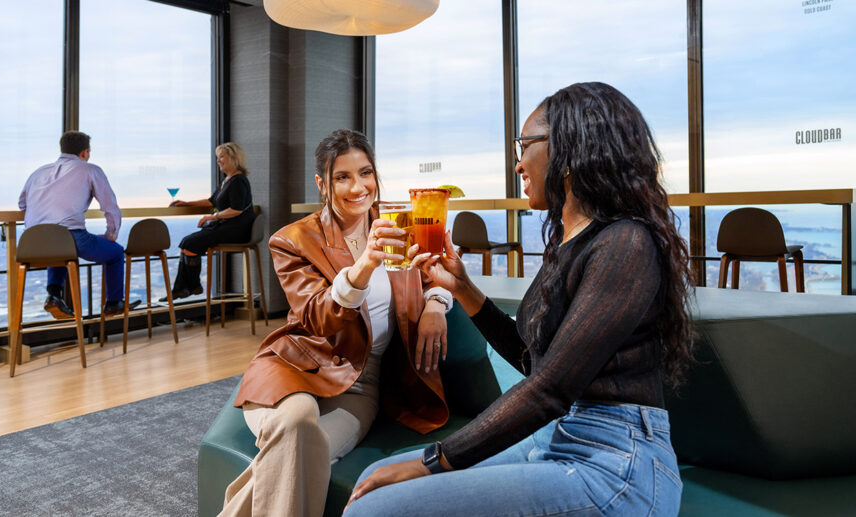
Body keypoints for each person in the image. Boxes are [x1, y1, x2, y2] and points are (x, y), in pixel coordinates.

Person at [343, 82, 696, 516]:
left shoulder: (626, 243)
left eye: (524, 145)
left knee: (372, 509)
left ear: (569, 146)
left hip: (615, 461)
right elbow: (538, 364)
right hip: (559, 434)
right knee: (369, 485)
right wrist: (464, 290)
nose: (517, 163)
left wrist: (432, 460)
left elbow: (551, 388)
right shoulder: (571, 240)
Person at [218, 129, 453, 517]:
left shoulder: (399, 224)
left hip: (362, 386)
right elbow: (316, 317)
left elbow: (434, 273)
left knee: (300, 455)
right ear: (322, 184)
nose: (357, 186)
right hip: (297, 365)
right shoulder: (292, 240)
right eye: (341, 177)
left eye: (365, 173)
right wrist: (364, 265)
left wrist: (436, 305)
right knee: (295, 423)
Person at [19, 130, 139, 319]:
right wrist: (110, 236)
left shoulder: (38, 172)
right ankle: (113, 303)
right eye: (89, 153)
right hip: (69, 238)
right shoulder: (90, 170)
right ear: (84, 153)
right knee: (115, 252)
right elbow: (110, 207)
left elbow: (22, 204)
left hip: (31, 242)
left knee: (59, 249)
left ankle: (53, 296)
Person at [164, 142, 255, 300]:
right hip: (227, 228)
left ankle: (189, 287)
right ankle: (187, 287)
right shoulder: (227, 180)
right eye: (217, 157)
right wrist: (186, 203)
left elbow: (236, 209)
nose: (218, 160)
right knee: (187, 243)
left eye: (221, 157)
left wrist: (212, 217)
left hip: (236, 230)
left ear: (234, 158)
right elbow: (211, 201)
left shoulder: (238, 180)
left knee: (189, 242)